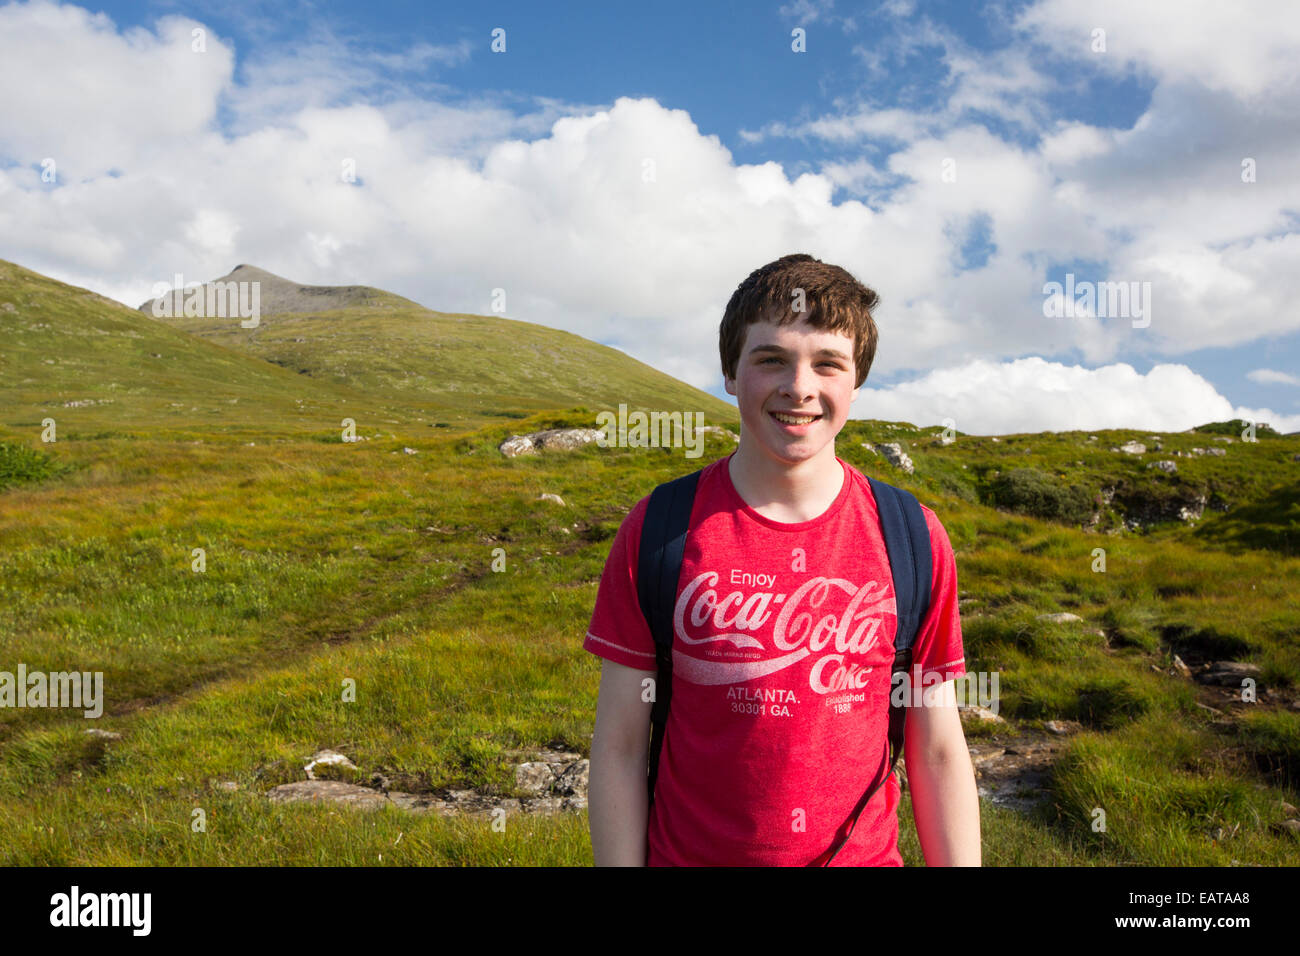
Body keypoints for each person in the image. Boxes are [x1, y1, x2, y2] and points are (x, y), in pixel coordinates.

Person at [585, 253, 981, 866]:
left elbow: (937, 750)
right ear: (729, 371)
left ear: (856, 381)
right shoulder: (659, 529)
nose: (799, 387)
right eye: (771, 359)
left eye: (828, 363)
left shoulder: (912, 537)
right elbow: (619, 745)